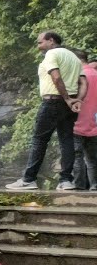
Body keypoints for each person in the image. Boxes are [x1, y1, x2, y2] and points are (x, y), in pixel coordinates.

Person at [8, 31, 86, 190]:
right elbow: (83, 83)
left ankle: (29, 179)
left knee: (39, 140)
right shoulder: (73, 58)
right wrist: (77, 99)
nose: (38, 46)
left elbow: (56, 77)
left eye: (40, 42)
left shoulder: (52, 54)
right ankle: (65, 181)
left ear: (51, 41)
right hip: (68, 105)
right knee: (67, 141)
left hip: (53, 102)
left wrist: (66, 98)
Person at [71, 50, 97, 190]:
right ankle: (95, 187)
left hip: (77, 122)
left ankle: (79, 187)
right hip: (94, 124)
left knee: (77, 156)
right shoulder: (95, 73)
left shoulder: (79, 76)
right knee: (93, 159)